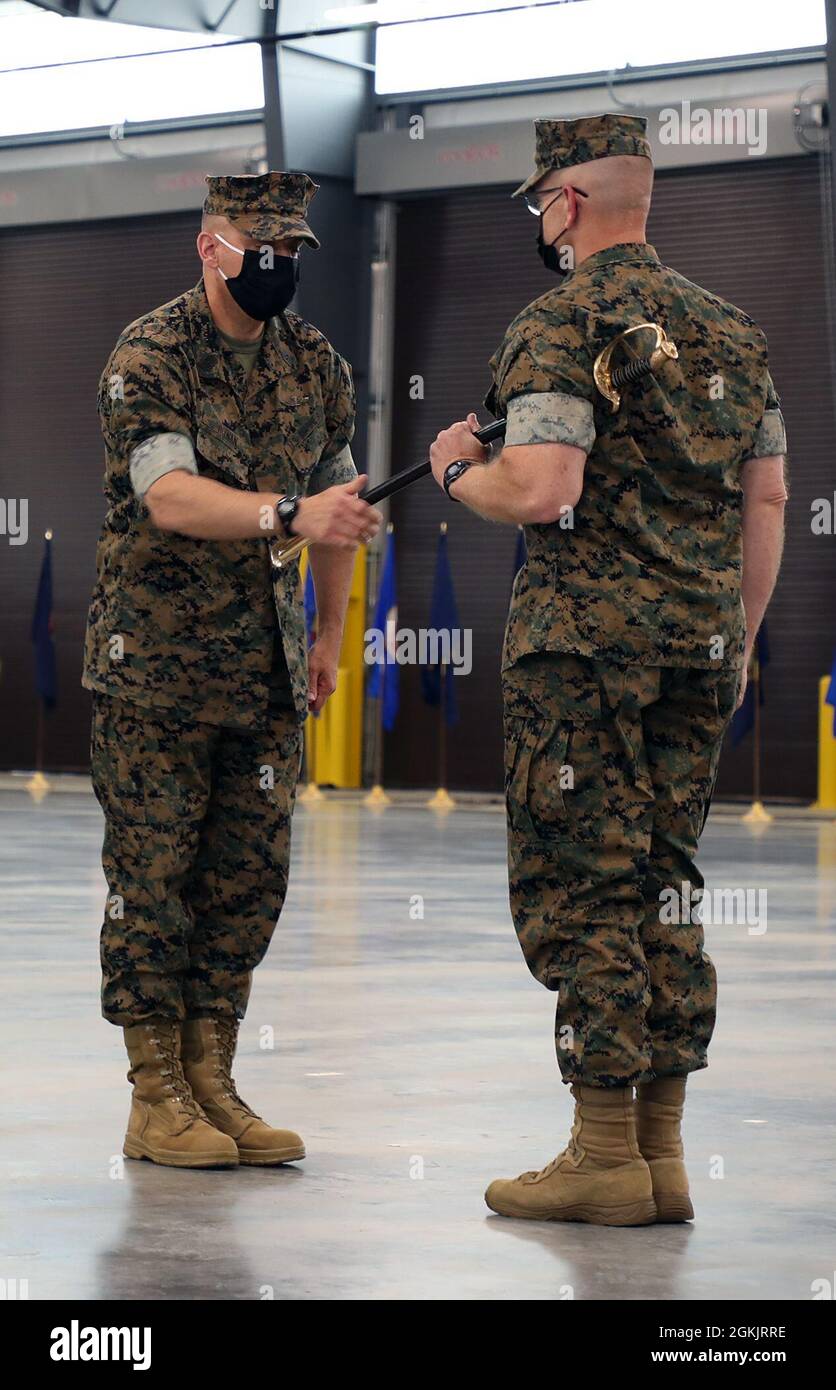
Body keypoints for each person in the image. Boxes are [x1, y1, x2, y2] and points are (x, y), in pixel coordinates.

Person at [428, 115, 787, 1224]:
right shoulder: (731, 331)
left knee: (584, 886)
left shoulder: (560, 319)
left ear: (566, 203)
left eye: (541, 201)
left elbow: (539, 488)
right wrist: (732, 637)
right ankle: (660, 1155)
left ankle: (598, 1153)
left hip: (582, 661)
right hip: (696, 654)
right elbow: (764, 498)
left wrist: (451, 473)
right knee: (667, 882)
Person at [84, 171, 382, 1169]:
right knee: (153, 883)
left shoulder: (314, 364)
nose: (279, 267)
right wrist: (282, 513)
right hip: (154, 672)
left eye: (292, 252)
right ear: (210, 249)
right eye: (262, 250)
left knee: (246, 883)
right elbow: (168, 496)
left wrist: (333, 641)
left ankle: (212, 1078)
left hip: (261, 674)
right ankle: (152, 1095)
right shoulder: (149, 354)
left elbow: (339, 506)